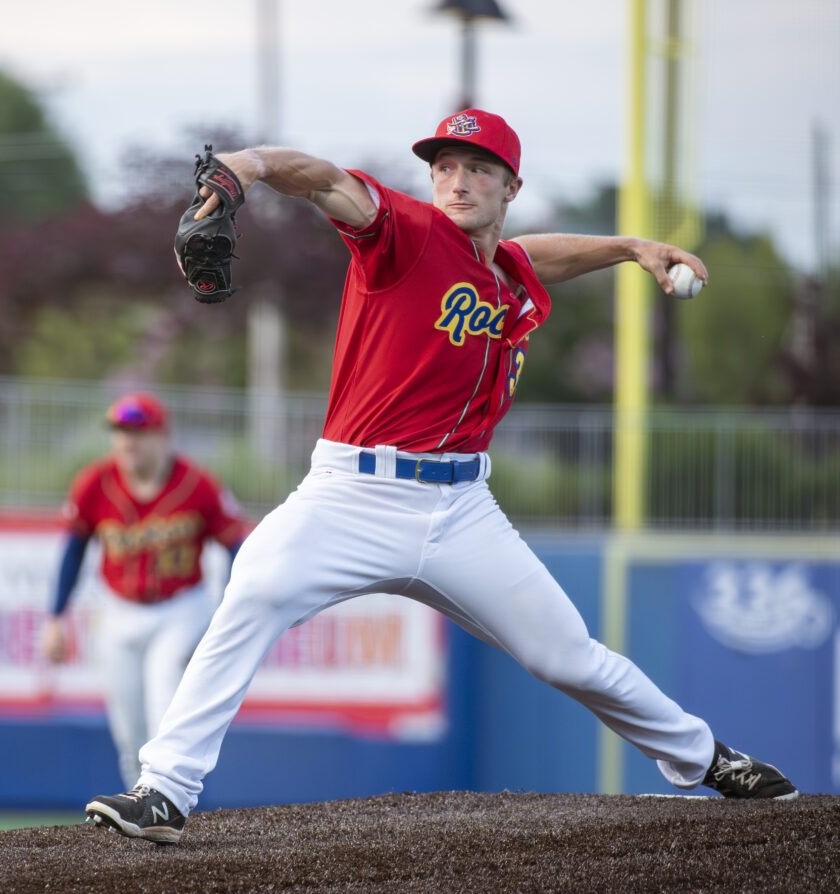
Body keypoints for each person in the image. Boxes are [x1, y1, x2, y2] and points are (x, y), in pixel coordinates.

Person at [85, 110, 798, 843]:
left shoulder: (508, 271)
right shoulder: (404, 233)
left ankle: (708, 758)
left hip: (463, 509)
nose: (456, 181)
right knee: (252, 597)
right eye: (444, 167)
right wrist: (252, 166)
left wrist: (628, 247)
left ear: (511, 187)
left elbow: (533, 255)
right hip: (352, 494)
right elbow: (325, 182)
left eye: (478, 169)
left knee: (568, 656)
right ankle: (165, 790)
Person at [42, 391, 251, 788]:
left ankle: (171, 804)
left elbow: (236, 546)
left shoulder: (197, 484)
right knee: (129, 736)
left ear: (163, 436)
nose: (127, 441)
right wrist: (55, 617)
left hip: (180, 610)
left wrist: (226, 611)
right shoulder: (95, 482)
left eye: (138, 431)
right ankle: (139, 810)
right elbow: (73, 551)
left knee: (164, 719)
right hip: (118, 612)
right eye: (120, 431)